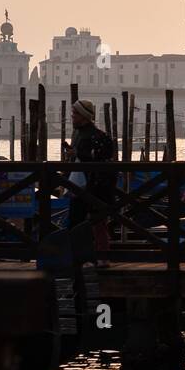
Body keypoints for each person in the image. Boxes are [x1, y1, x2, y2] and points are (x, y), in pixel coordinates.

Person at [63, 99, 116, 257]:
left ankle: (100, 256)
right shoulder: (79, 134)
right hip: (80, 186)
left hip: (95, 187)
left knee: (97, 223)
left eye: (74, 114)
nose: (72, 117)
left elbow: (101, 158)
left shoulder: (98, 136)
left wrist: (77, 154)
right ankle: (80, 256)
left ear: (84, 116)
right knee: (77, 222)